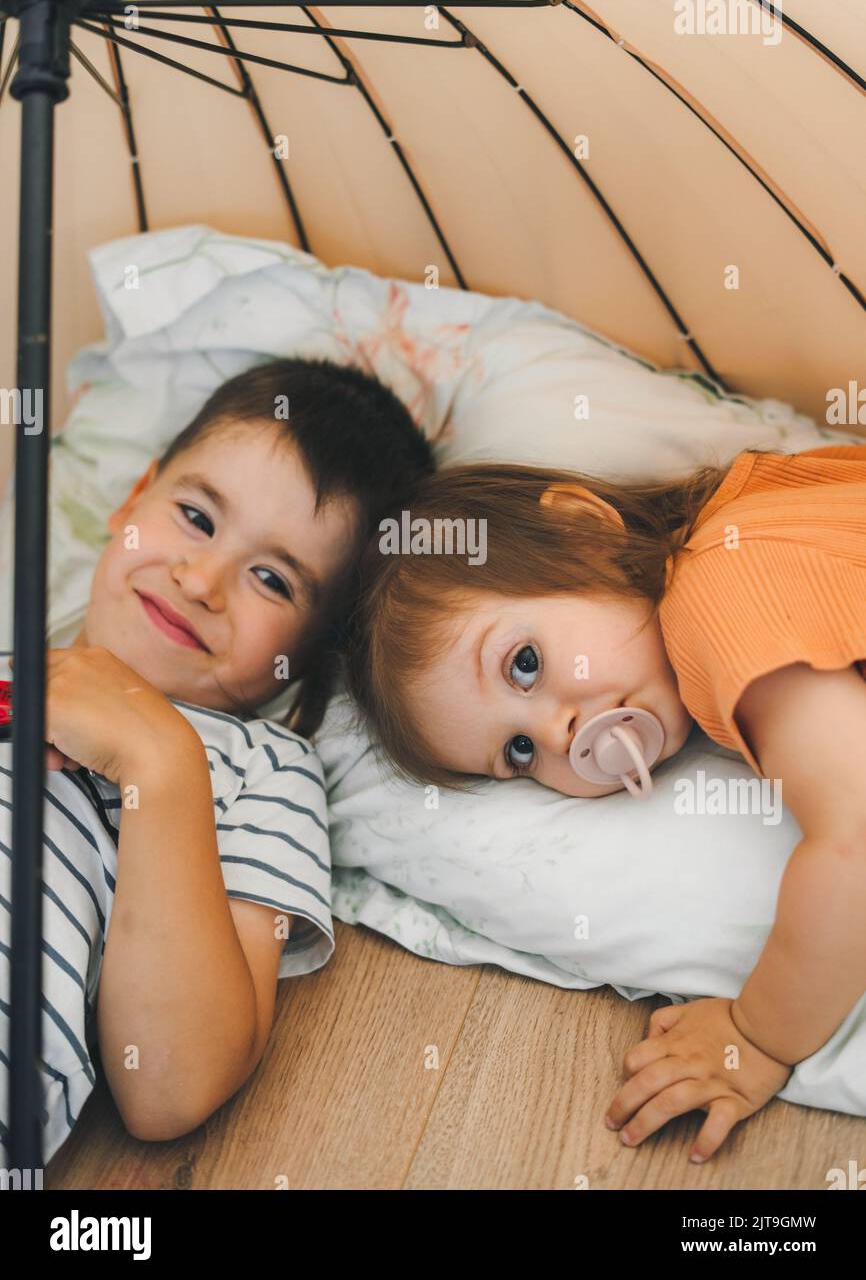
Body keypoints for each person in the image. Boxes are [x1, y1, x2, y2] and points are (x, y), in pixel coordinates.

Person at [345, 444, 866, 1162]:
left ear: (584, 534)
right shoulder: (759, 511)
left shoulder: (722, 590)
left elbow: (856, 843)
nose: (558, 736)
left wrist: (756, 1036)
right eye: (519, 754)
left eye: (523, 664)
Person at [0, 356, 434, 1162]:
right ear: (135, 498)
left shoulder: (260, 772)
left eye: (272, 579)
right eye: (197, 517)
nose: (201, 580)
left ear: (311, 657)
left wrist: (157, 762)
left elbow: (171, 1086)